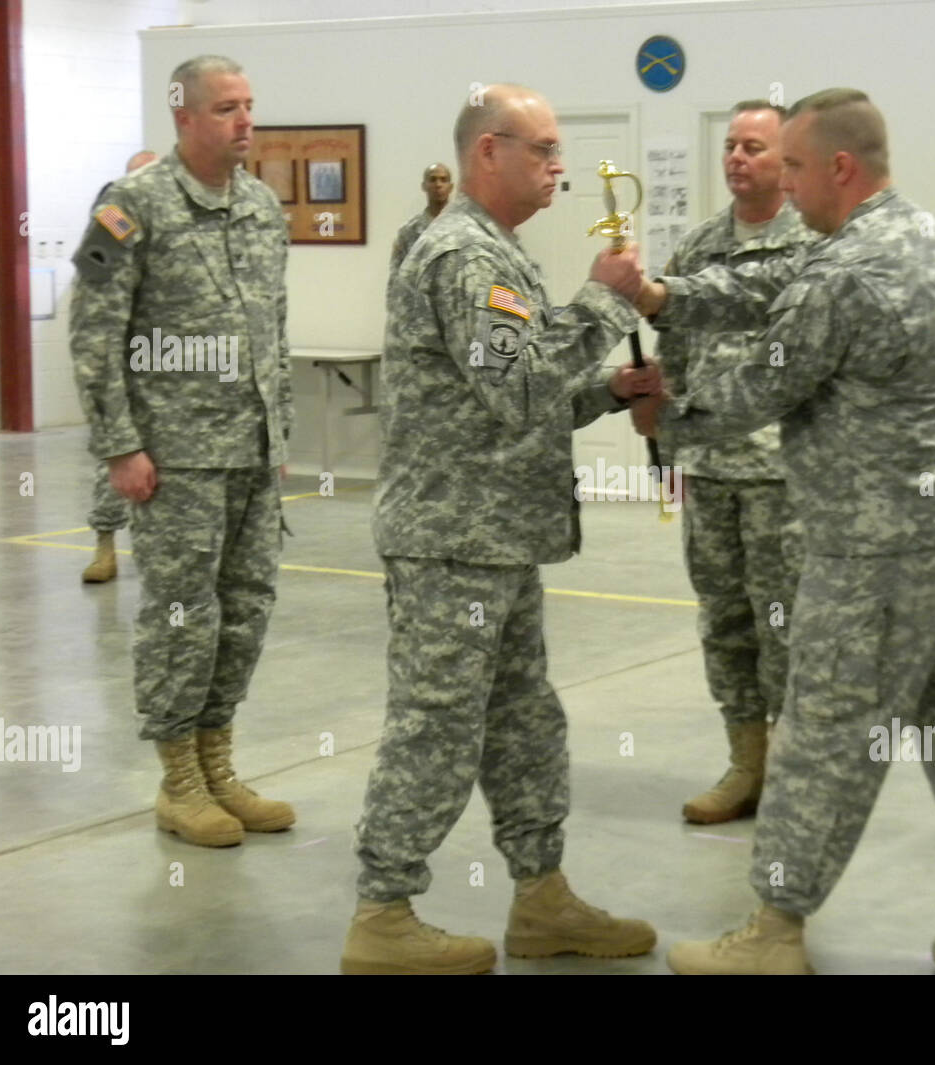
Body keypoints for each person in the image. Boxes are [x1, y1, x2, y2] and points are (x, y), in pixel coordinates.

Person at [632, 88, 935, 976]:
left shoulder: (841, 274)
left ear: (839, 167)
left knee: (827, 731)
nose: (783, 185)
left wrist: (663, 419)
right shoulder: (918, 233)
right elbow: (773, 299)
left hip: (880, 542)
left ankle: (775, 931)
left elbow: (759, 386)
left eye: (792, 165)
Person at [341, 83, 659, 976]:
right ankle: (383, 911)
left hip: (497, 538)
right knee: (436, 726)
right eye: (543, 149)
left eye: (560, 150)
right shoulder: (464, 256)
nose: (559, 165)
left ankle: (541, 896)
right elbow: (516, 388)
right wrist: (605, 306)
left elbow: (517, 391)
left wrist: (607, 389)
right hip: (453, 542)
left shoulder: (499, 252)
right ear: (489, 151)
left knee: (524, 723)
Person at [69, 55, 295, 849]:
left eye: (250, 105)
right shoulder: (133, 208)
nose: (245, 121)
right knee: (181, 617)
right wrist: (120, 447)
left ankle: (219, 763)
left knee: (244, 612)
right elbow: (93, 336)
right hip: (174, 462)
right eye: (228, 108)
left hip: (251, 456)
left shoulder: (263, 207)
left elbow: (273, 331)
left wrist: (279, 436)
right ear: (186, 118)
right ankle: (179, 780)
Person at [653, 100, 815, 825]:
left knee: (787, 625)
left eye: (754, 146)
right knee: (724, 620)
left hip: (784, 473)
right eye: (730, 146)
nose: (737, 159)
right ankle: (744, 763)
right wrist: (669, 437)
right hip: (713, 468)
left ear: (788, 160)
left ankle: (791, 769)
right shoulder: (698, 247)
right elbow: (677, 355)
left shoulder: (812, 243)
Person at [80, 149, 159, 583]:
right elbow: (94, 279)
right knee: (115, 450)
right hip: (127, 353)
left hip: (172, 356)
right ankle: (105, 544)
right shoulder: (115, 211)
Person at [386, 162, 453, 302]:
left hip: (455, 314)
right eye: (433, 179)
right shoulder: (409, 231)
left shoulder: (466, 229)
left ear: (451, 187)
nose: (438, 184)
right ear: (424, 186)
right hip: (420, 315)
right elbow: (396, 281)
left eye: (443, 179)